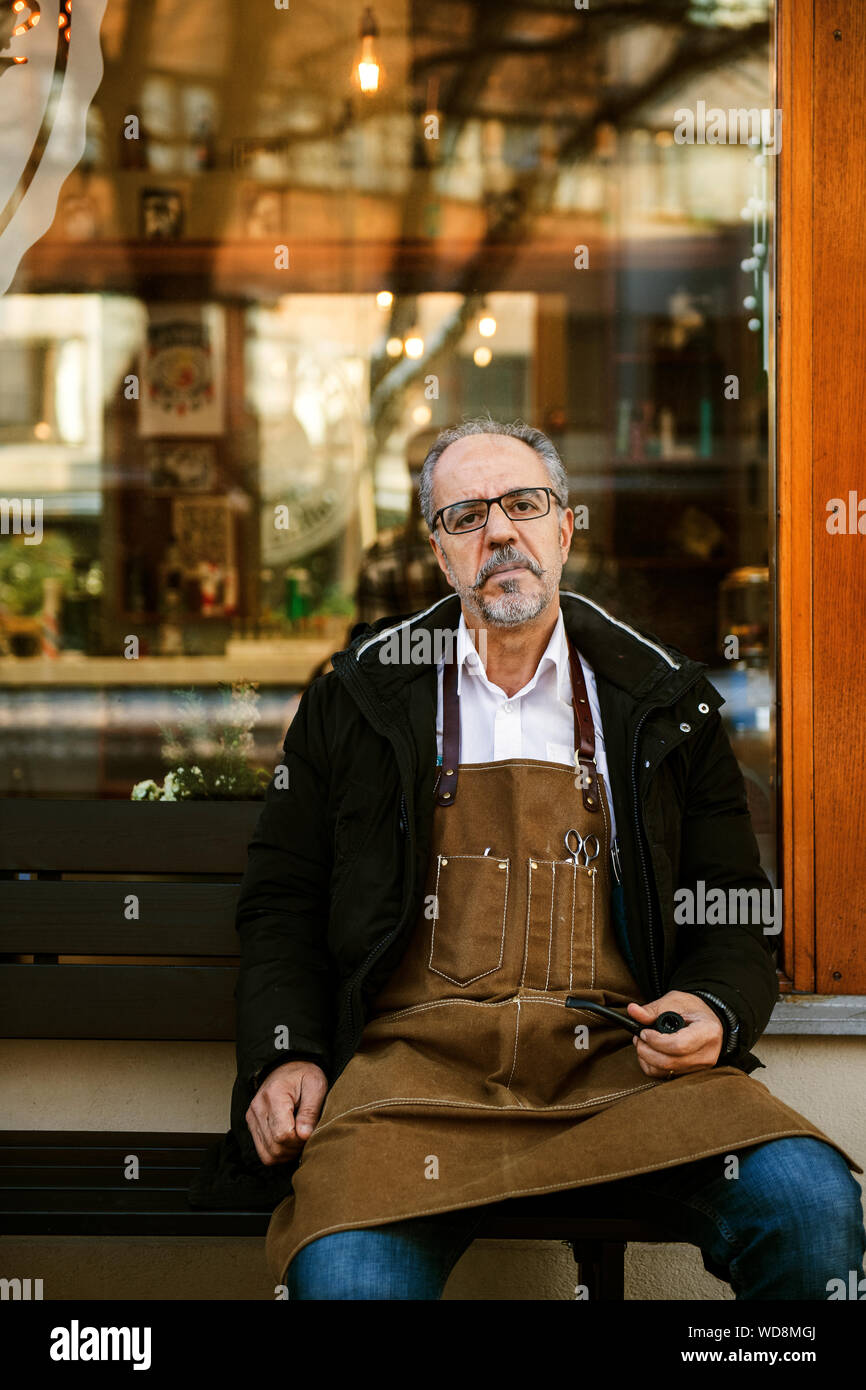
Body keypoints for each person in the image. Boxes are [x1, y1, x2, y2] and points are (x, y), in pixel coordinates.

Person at [234, 417, 865, 1300]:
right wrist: (286, 1053)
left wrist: (718, 1003)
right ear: (439, 552)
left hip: (622, 1072)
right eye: (466, 517)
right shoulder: (359, 696)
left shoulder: (661, 701)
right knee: (347, 1284)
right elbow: (283, 900)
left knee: (808, 1207)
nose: (499, 532)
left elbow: (730, 904)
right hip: (410, 1083)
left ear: (564, 530)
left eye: (523, 505)